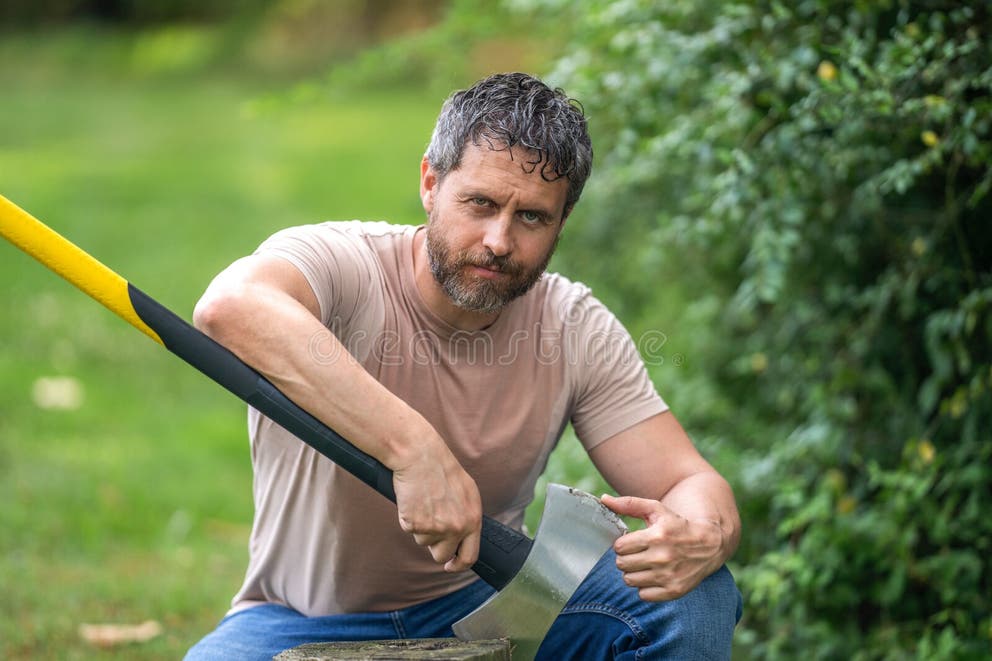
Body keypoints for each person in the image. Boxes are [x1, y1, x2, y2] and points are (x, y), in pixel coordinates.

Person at [185, 72, 742, 660]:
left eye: (532, 217)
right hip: (298, 618)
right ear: (431, 182)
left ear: (563, 220)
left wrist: (701, 535)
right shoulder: (346, 265)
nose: (499, 240)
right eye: (481, 204)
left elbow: (689, 483)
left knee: (694, 596)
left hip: (493, 607)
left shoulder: (575, 327)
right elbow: (232, 306)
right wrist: (413, 450)